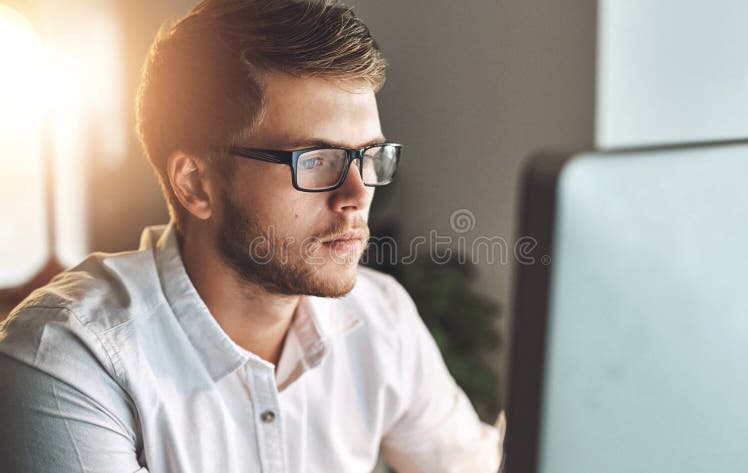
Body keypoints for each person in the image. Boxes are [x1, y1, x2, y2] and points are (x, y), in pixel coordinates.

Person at [0, 1, 502, 472]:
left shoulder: (380, 318)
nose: (357, 192)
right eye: (315, 159)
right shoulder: (67, 357)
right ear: (196, 184)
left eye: (369, 156)